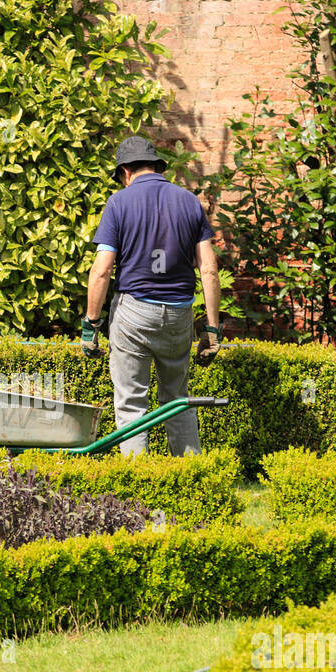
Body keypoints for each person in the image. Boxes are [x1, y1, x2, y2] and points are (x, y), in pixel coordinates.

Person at [80, 135, 222, 457]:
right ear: (158, 168)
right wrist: (211, 329)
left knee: (131, 402)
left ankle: (138, 488)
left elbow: (101, 271)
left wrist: (91, 324)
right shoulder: (189, 202)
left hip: (133, 313)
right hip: (179, 315)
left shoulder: (119, 203)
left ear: (125, 172)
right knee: (177, 400)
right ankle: (191, 478)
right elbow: (209, 269)